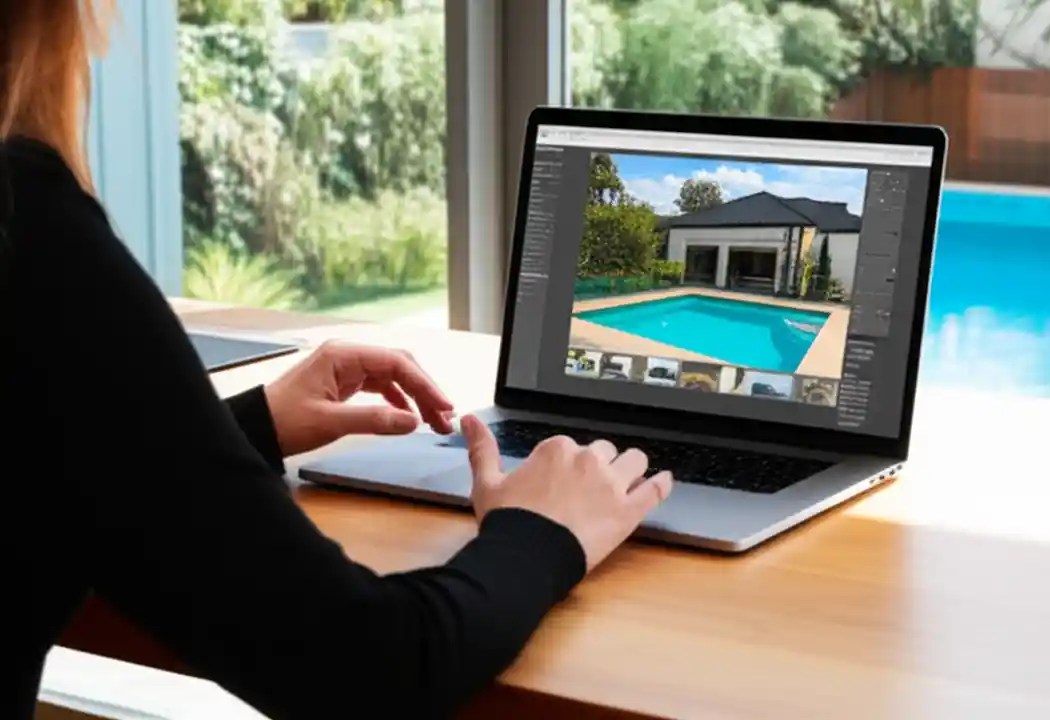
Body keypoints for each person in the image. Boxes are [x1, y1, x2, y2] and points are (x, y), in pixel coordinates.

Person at [0, 3, 673, 718]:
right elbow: (372, 668)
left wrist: (234, 431)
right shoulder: (28, 233)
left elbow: (41, 464)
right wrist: (543, 533)